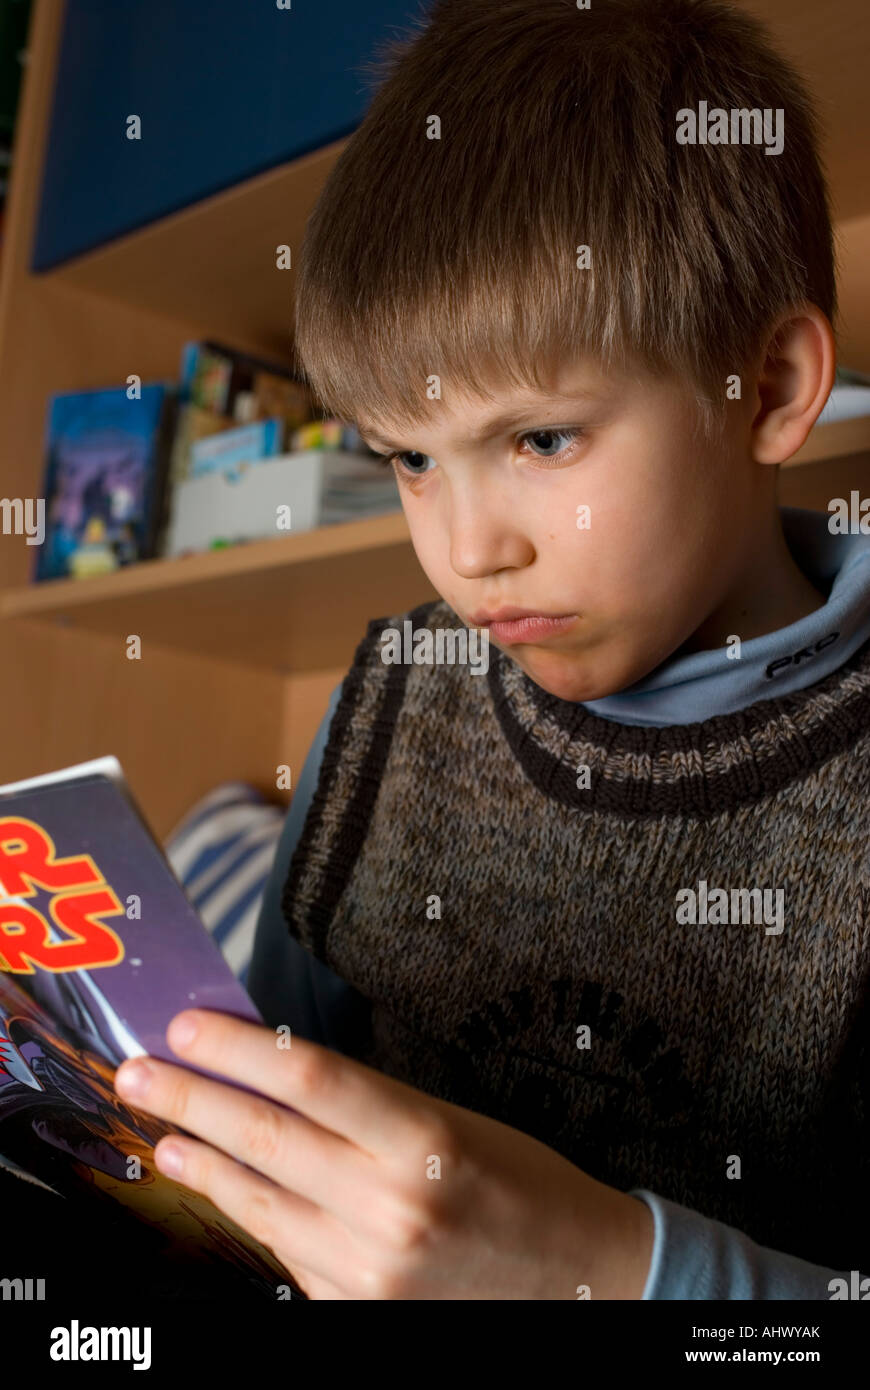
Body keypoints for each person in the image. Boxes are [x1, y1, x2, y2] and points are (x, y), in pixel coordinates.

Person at [116, 0, 870, 1299]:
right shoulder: (395, 690)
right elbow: (274, 1093)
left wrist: (588, 1265)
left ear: (771, 384)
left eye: (539, 441)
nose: (467, 552)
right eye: (408, 459)